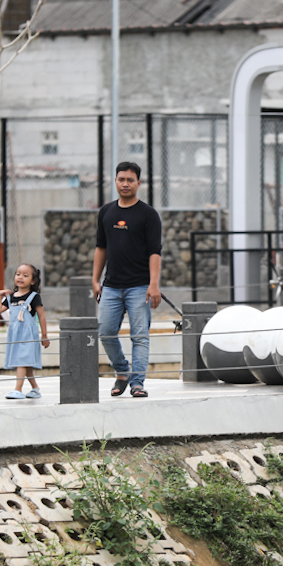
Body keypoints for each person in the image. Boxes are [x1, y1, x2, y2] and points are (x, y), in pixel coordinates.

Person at [92, 162, 162, 398]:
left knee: (139, 336)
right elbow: (101, 248)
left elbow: (155, 252)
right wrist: (95, 279)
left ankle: (138, 382)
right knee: (106, 331)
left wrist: (154, 285)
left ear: (138, 183)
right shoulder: (106, 212)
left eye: (130, 180)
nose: (125, 184)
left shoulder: (148, 214)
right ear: (115, 181)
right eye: (121, 179)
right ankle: (122, 372)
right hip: (111, 287)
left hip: (140, 287)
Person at [0, 264, 50, 399]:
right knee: (26, 363)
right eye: (18, 274)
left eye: (25, 275)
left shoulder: (33, 296)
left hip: (28, 335)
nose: (20, 277)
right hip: (15, 334)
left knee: (22, 361)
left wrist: (44, 335)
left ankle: (17, 389)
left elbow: (41, 316)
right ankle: (35, 388)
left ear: (33, 281)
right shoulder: (11, 297)